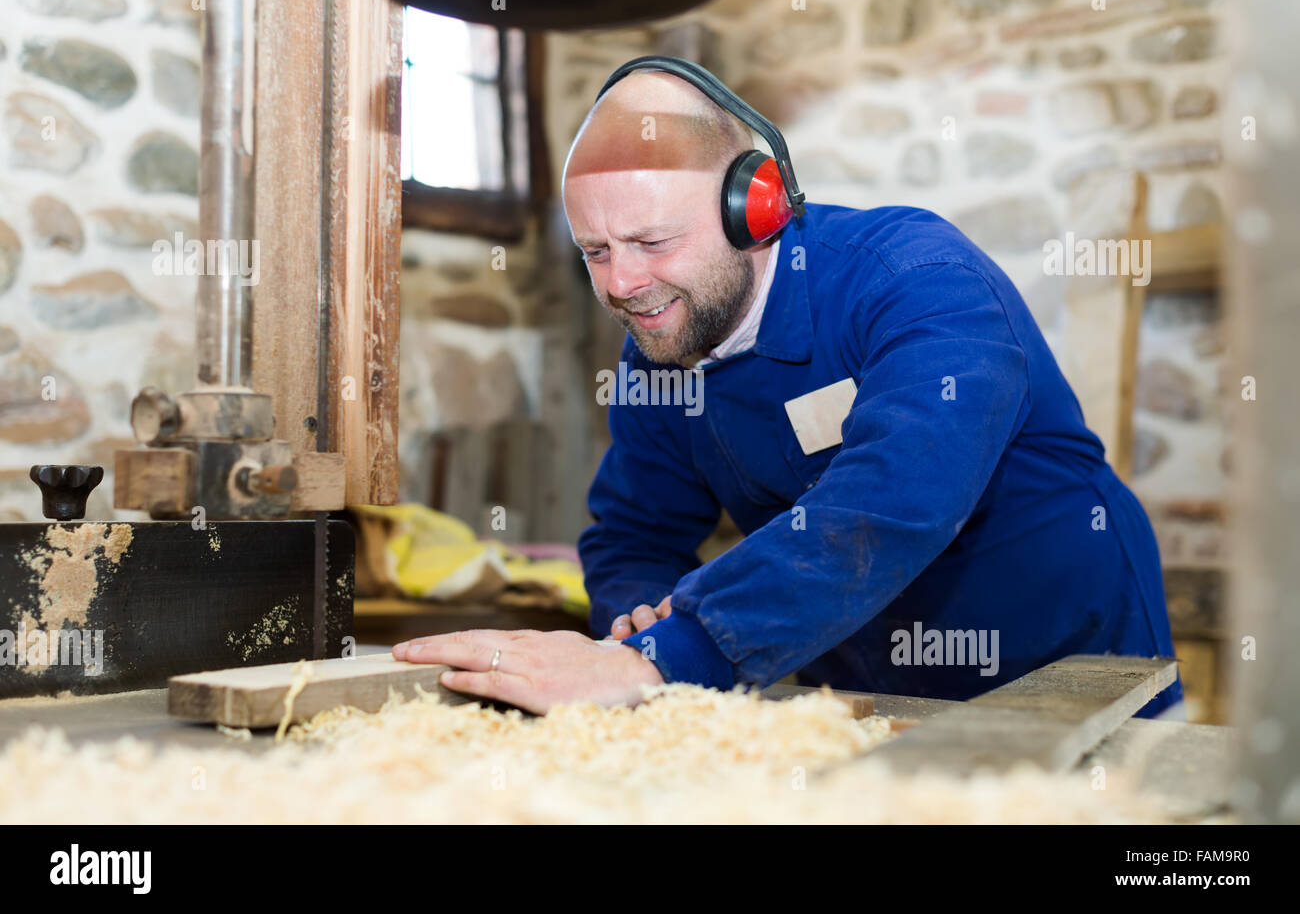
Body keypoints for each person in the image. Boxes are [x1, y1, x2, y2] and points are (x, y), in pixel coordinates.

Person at [394, 57, 1183, 719]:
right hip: (867, 693)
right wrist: (638, 612)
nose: (623, 283)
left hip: (1059, 663)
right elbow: (635, 531)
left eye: (651, 241)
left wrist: (670, 659)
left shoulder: (920, 281)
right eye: (594, 250)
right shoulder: (660, 355)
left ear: (755, 206)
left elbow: (894, 497)